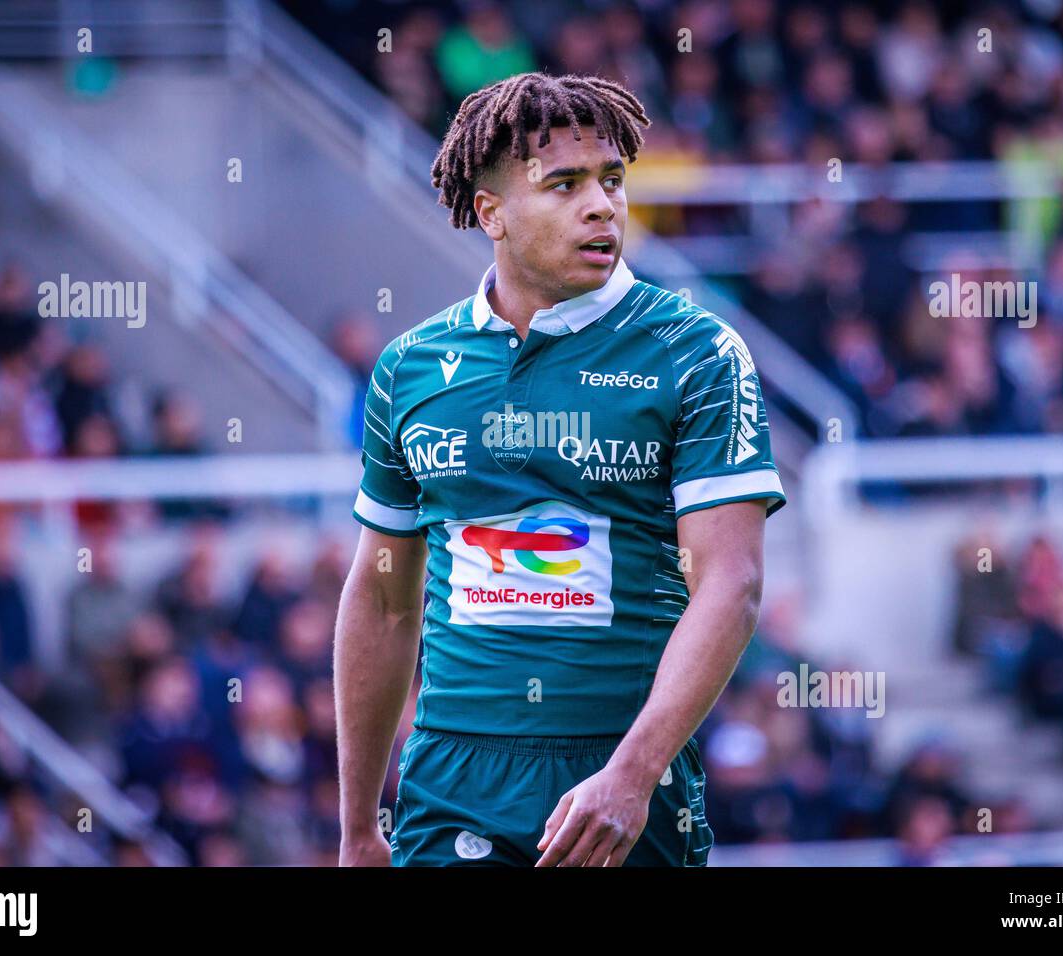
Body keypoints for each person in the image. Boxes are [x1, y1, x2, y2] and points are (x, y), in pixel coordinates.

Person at [335, 72, 786, 868]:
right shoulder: (411, 367)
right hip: (450, 780)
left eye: (612, 180)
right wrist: (357, 826)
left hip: (621, 775)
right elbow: (382, 599)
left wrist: (633, 774)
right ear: (492, 214)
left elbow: (732, 582)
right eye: (565, 184)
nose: (603, 205)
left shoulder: (697, 353)